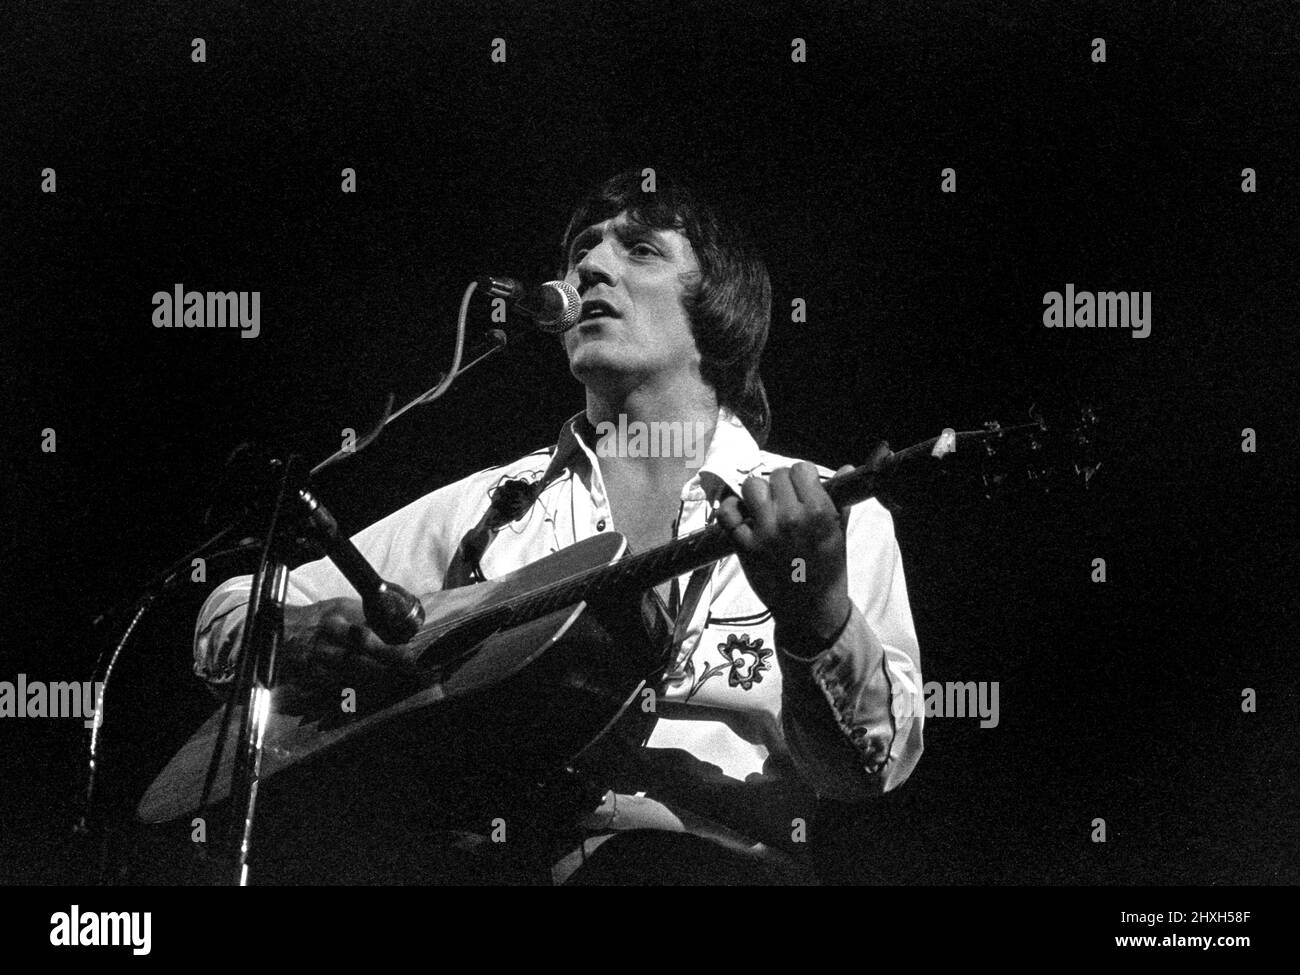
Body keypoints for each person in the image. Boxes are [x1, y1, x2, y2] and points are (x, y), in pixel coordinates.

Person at [193, 171, 924, 884]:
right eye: (582, 252)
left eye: (639, 250)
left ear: (720, 303)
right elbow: (226, 608)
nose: (592, 266)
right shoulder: (493, 505)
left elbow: (868, 770)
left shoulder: (824, 511)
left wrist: (816, 616)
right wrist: (295, 637)